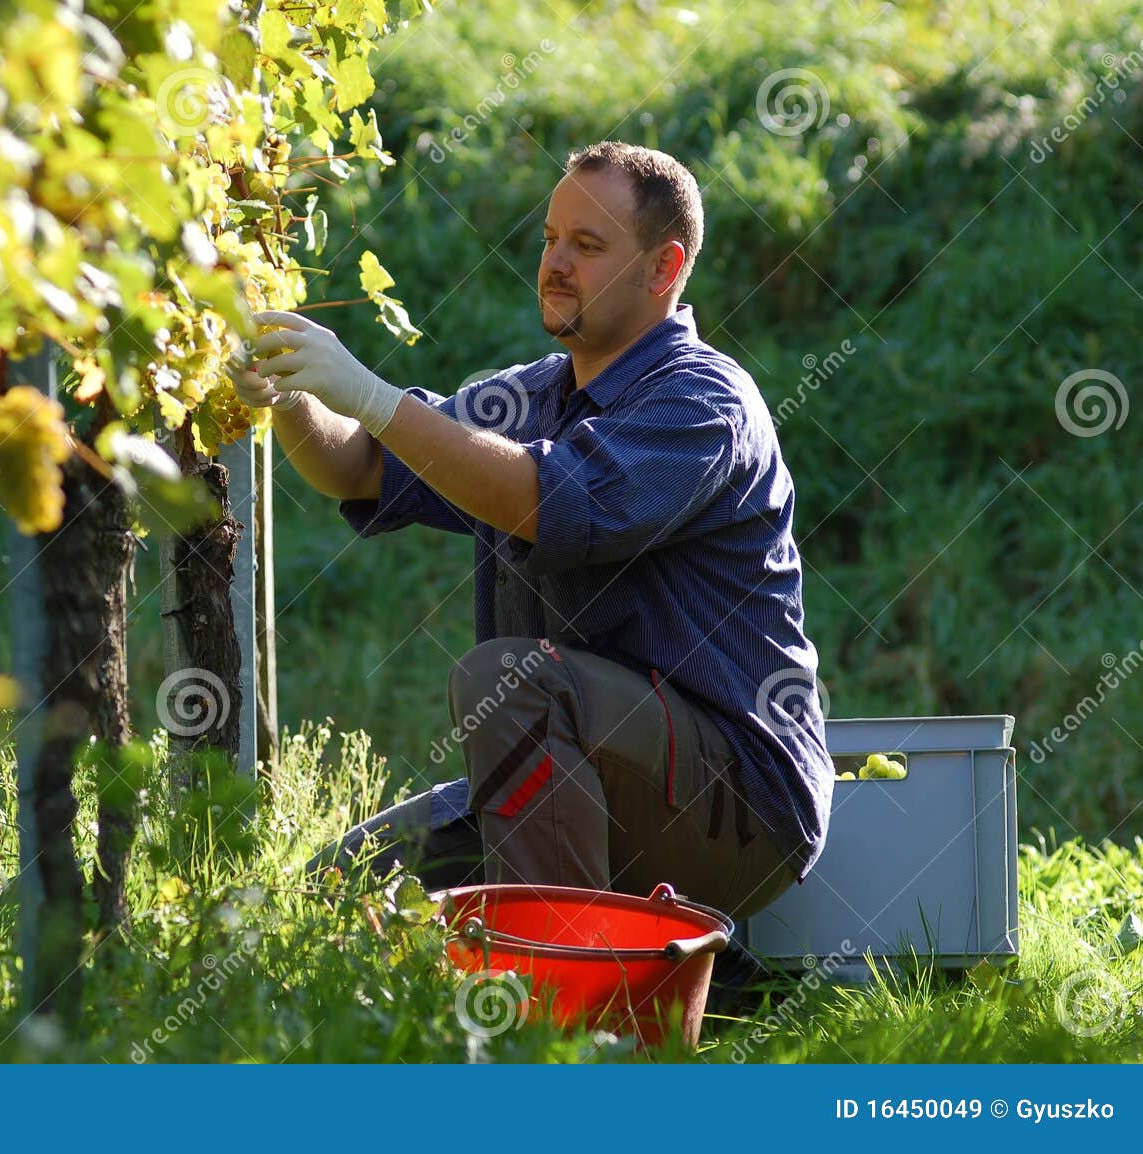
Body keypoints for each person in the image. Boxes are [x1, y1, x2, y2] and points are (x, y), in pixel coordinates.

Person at [235, 140, 833, 920]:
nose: (555, 263)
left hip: (742, 806)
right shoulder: (532, 397)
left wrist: (376, 397)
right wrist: (290, 389)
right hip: (586, 764)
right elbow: (360, 468)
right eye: (550, 239)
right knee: (333, 894)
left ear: (663, 268)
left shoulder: (704, 401)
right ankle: (619, 960)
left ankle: (563, 985)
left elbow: (547, 502)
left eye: (587, 245)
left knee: (509, 681)